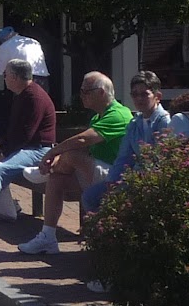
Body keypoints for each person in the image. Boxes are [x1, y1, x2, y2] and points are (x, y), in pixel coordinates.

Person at [17, 72, 131, 255]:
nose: (82, 95)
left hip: (117, 176)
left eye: (86, 91)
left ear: (101, 92)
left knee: (71, 156)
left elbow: (82, 141)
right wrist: (57, 159)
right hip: (99, 172)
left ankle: (43, 172)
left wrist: (53, 152)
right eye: (81, 90)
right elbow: (88, 150)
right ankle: (48, 237)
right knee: (56, 179)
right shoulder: (97, 117)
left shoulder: (118, 114)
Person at [0, 59, 56, 219]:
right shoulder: (21, 95)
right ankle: (5, 209)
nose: (4, 78)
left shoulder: (34, 97)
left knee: (0, 169)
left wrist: (5, 153)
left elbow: (26, 133)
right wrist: (1, 149)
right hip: (25, 147)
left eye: (6, 75)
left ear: (15, 77)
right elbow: (12, 130)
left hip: (39, 150)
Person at [81, 70, 171, 215]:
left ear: (157, 96)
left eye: (144, 94)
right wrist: (111, 183)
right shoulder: (134, 123)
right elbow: (123, 158)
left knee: (117, 202)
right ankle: (104, 234)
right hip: (131, 180)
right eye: (135, 94)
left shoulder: (164, 122)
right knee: (90, 197)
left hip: (152, 183)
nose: (139, 98)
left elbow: (161, 161)